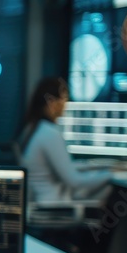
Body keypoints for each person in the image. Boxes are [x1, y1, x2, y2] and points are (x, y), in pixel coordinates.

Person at [18, 77, 112, 205]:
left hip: (43, 204)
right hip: (54, 210)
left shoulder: (33, 129)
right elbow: (75, 181)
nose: (66, 104)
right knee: (110, 190)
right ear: (51, 101)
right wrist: (112, 176)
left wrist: (100, 167)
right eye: (64, 98)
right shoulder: (49, 134)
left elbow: (64, 167)